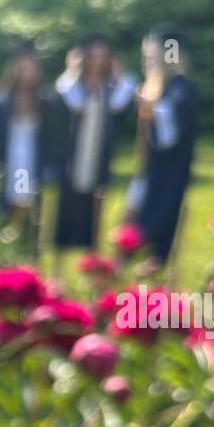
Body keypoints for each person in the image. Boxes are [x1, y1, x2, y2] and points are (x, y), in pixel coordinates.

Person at [53, 35, 136, 265]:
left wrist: (120, 76)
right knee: (66, 212)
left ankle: (92, 261)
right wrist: (72, 70)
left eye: (103, 56)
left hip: (99, 158)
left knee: (96, 211)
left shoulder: (110, 89)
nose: (98, 61)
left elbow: (120, 104)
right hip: (72, 158)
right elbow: (74, 103)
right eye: (93, 55)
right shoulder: (71, 85)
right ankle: (58, 266)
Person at [0, 42, 62, 247]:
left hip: (30, 162)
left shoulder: (45, 103)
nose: (27, 74)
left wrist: (51, 166)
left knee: (28, 207)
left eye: (31, 69)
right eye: (23, 69)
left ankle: (26, 250)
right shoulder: (0, 103)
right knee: (3, 210)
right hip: (9, 161)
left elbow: (53, 140)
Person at [131, 29, 198, 266]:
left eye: (152, 55)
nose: (148, 61)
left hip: (169, 177)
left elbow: (172, 136)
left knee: (155, 233)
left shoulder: (181, 87)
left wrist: (151, 107)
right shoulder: (159, 88)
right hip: (151, 172)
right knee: (135, 226)